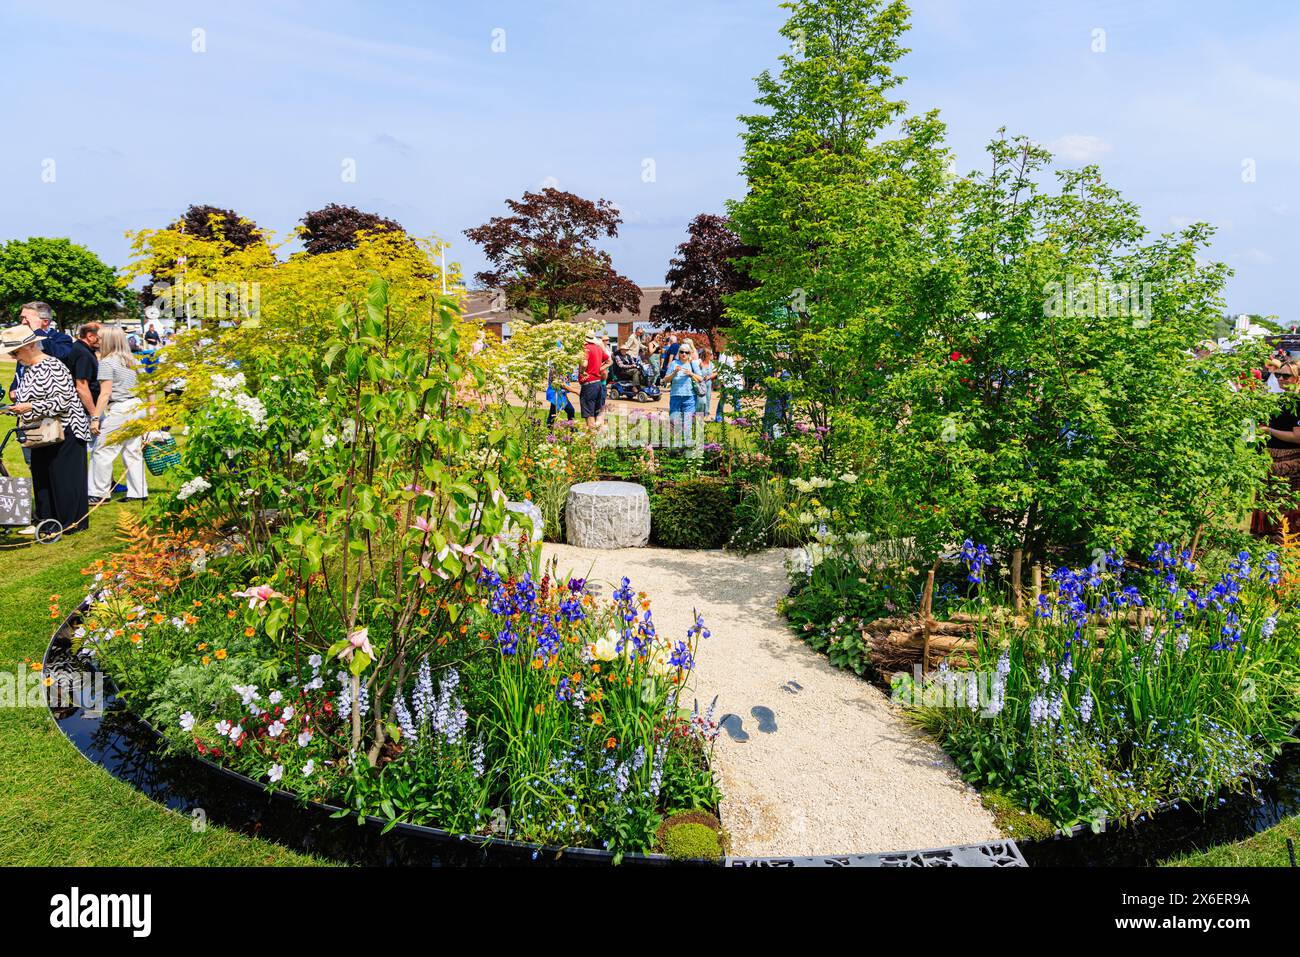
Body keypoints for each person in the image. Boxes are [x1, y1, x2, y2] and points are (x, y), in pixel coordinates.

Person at [0, 325, 92, 535]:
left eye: (16, 352)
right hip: (41, 432)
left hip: (65, 431)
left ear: (31, 345)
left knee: (64, 479)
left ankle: (70, 524)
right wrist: (13, 409)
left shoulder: (52, 365)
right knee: (43, 478)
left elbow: (64, 401)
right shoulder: (30, 368)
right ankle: (47, 522)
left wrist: (31, 407)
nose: (14, 357)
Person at [88, 326, 148, 504]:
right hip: (137, 406)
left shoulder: (107, 362)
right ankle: (139, 492)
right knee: (133, 451)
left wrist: (95, 418)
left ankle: (99, 493)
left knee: (102, 450)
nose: (97, 342)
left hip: (120, 408)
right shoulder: (132, 360)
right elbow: (149, 384)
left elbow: (105, 393)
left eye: (100, 339)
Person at [663, 340, 703, 441]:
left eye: (686, 352)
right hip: (675, 396)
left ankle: (687, 444)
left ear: (690, 354)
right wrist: (674, 373)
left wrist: (691, 374)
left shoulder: (693, 364)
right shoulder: (674, 363)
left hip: (689, 397)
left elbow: (701, 379)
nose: (684, 354)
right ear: (679, 353)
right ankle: (678, 442)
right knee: (673, 419)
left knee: (688, 422)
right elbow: (665, 379)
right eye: (682, 352)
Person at [68, 323, 101, 421]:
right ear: (90, 336)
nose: (103, 341)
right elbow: (82, 387)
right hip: (85, 413)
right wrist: (94, 416)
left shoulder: (83, 350)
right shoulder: (83, 354)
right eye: (101, 337)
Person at [578, 331, 610, 430]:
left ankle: (592, 441)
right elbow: (609, 361)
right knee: (598, 413)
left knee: (589, 414)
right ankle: (599, 439)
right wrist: (598, 369)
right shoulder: (598, 348)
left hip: (589, 384)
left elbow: (584, 364)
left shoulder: (585, 349)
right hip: (598, 383)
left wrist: (582, 372)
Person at [714, 348, 743, 421]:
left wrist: (743, 379)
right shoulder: (724, 352)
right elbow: (720, 366)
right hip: (727, 381)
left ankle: (738, 419)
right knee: (723, 399)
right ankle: (719, 418)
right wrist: (721, 380)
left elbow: (741, 369)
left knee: (737, 401)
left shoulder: (739, 353)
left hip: (737, 382)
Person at [695, 348, 716, 421]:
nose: (712, 356)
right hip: (700, 384)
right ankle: (698, 414)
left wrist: (710, 376)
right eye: (710, 354)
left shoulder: (711, 364)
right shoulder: (699, 362)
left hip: (708, 384)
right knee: (701, 401)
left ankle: (705, 415)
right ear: (706, 355)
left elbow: (716, 372)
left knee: (707, 399)